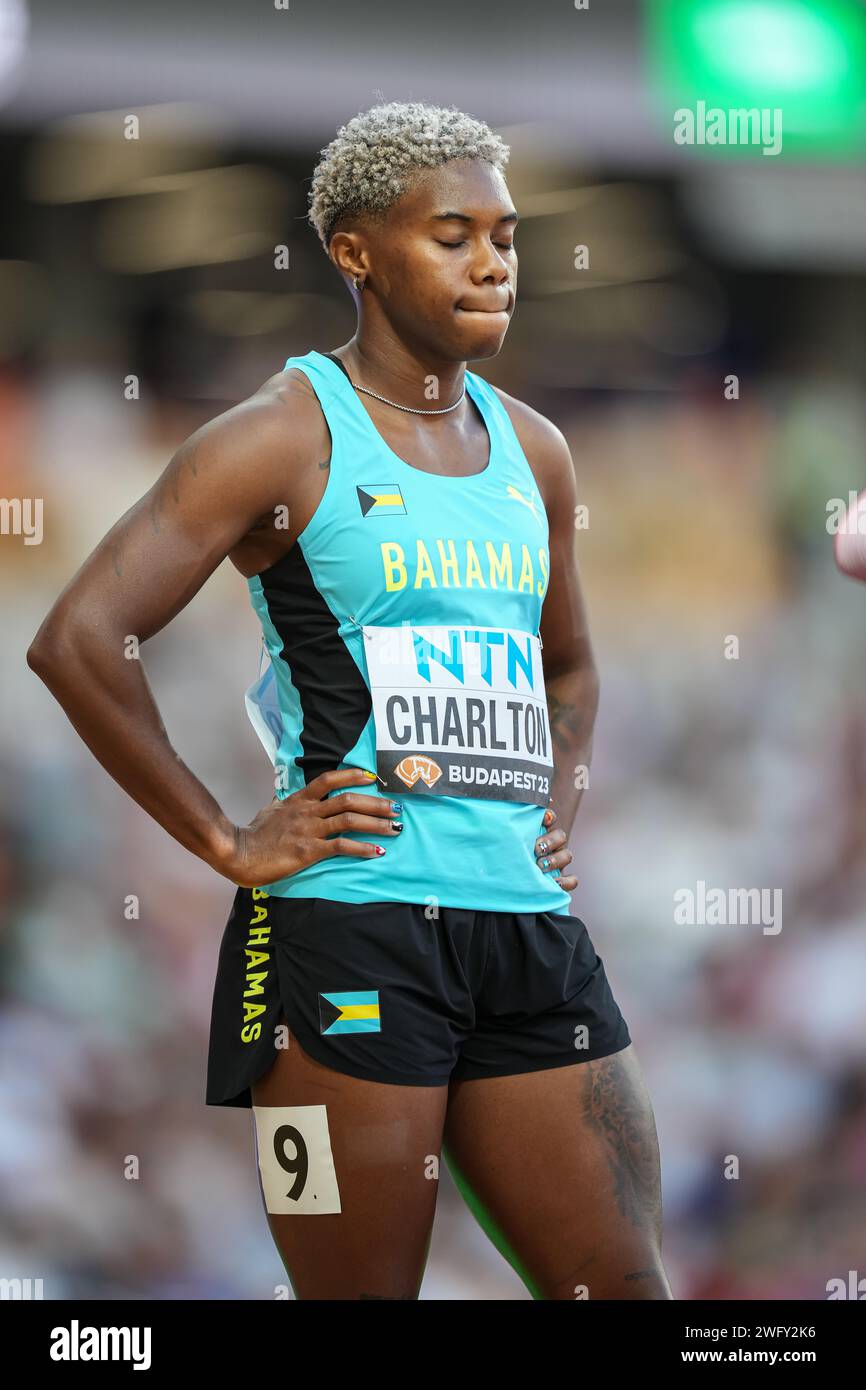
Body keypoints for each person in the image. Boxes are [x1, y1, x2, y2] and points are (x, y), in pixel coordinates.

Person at [28, 100, 673, 1301]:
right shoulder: (279, 438)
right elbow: (78, 639)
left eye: (507, 236)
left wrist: (559, 805)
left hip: (528, 936)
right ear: (354, 253)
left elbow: (570, 666)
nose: (492, 262)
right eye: (452, 234)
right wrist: (225, 837)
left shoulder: (534, 451)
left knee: (626, 1291)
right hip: (346, 931)